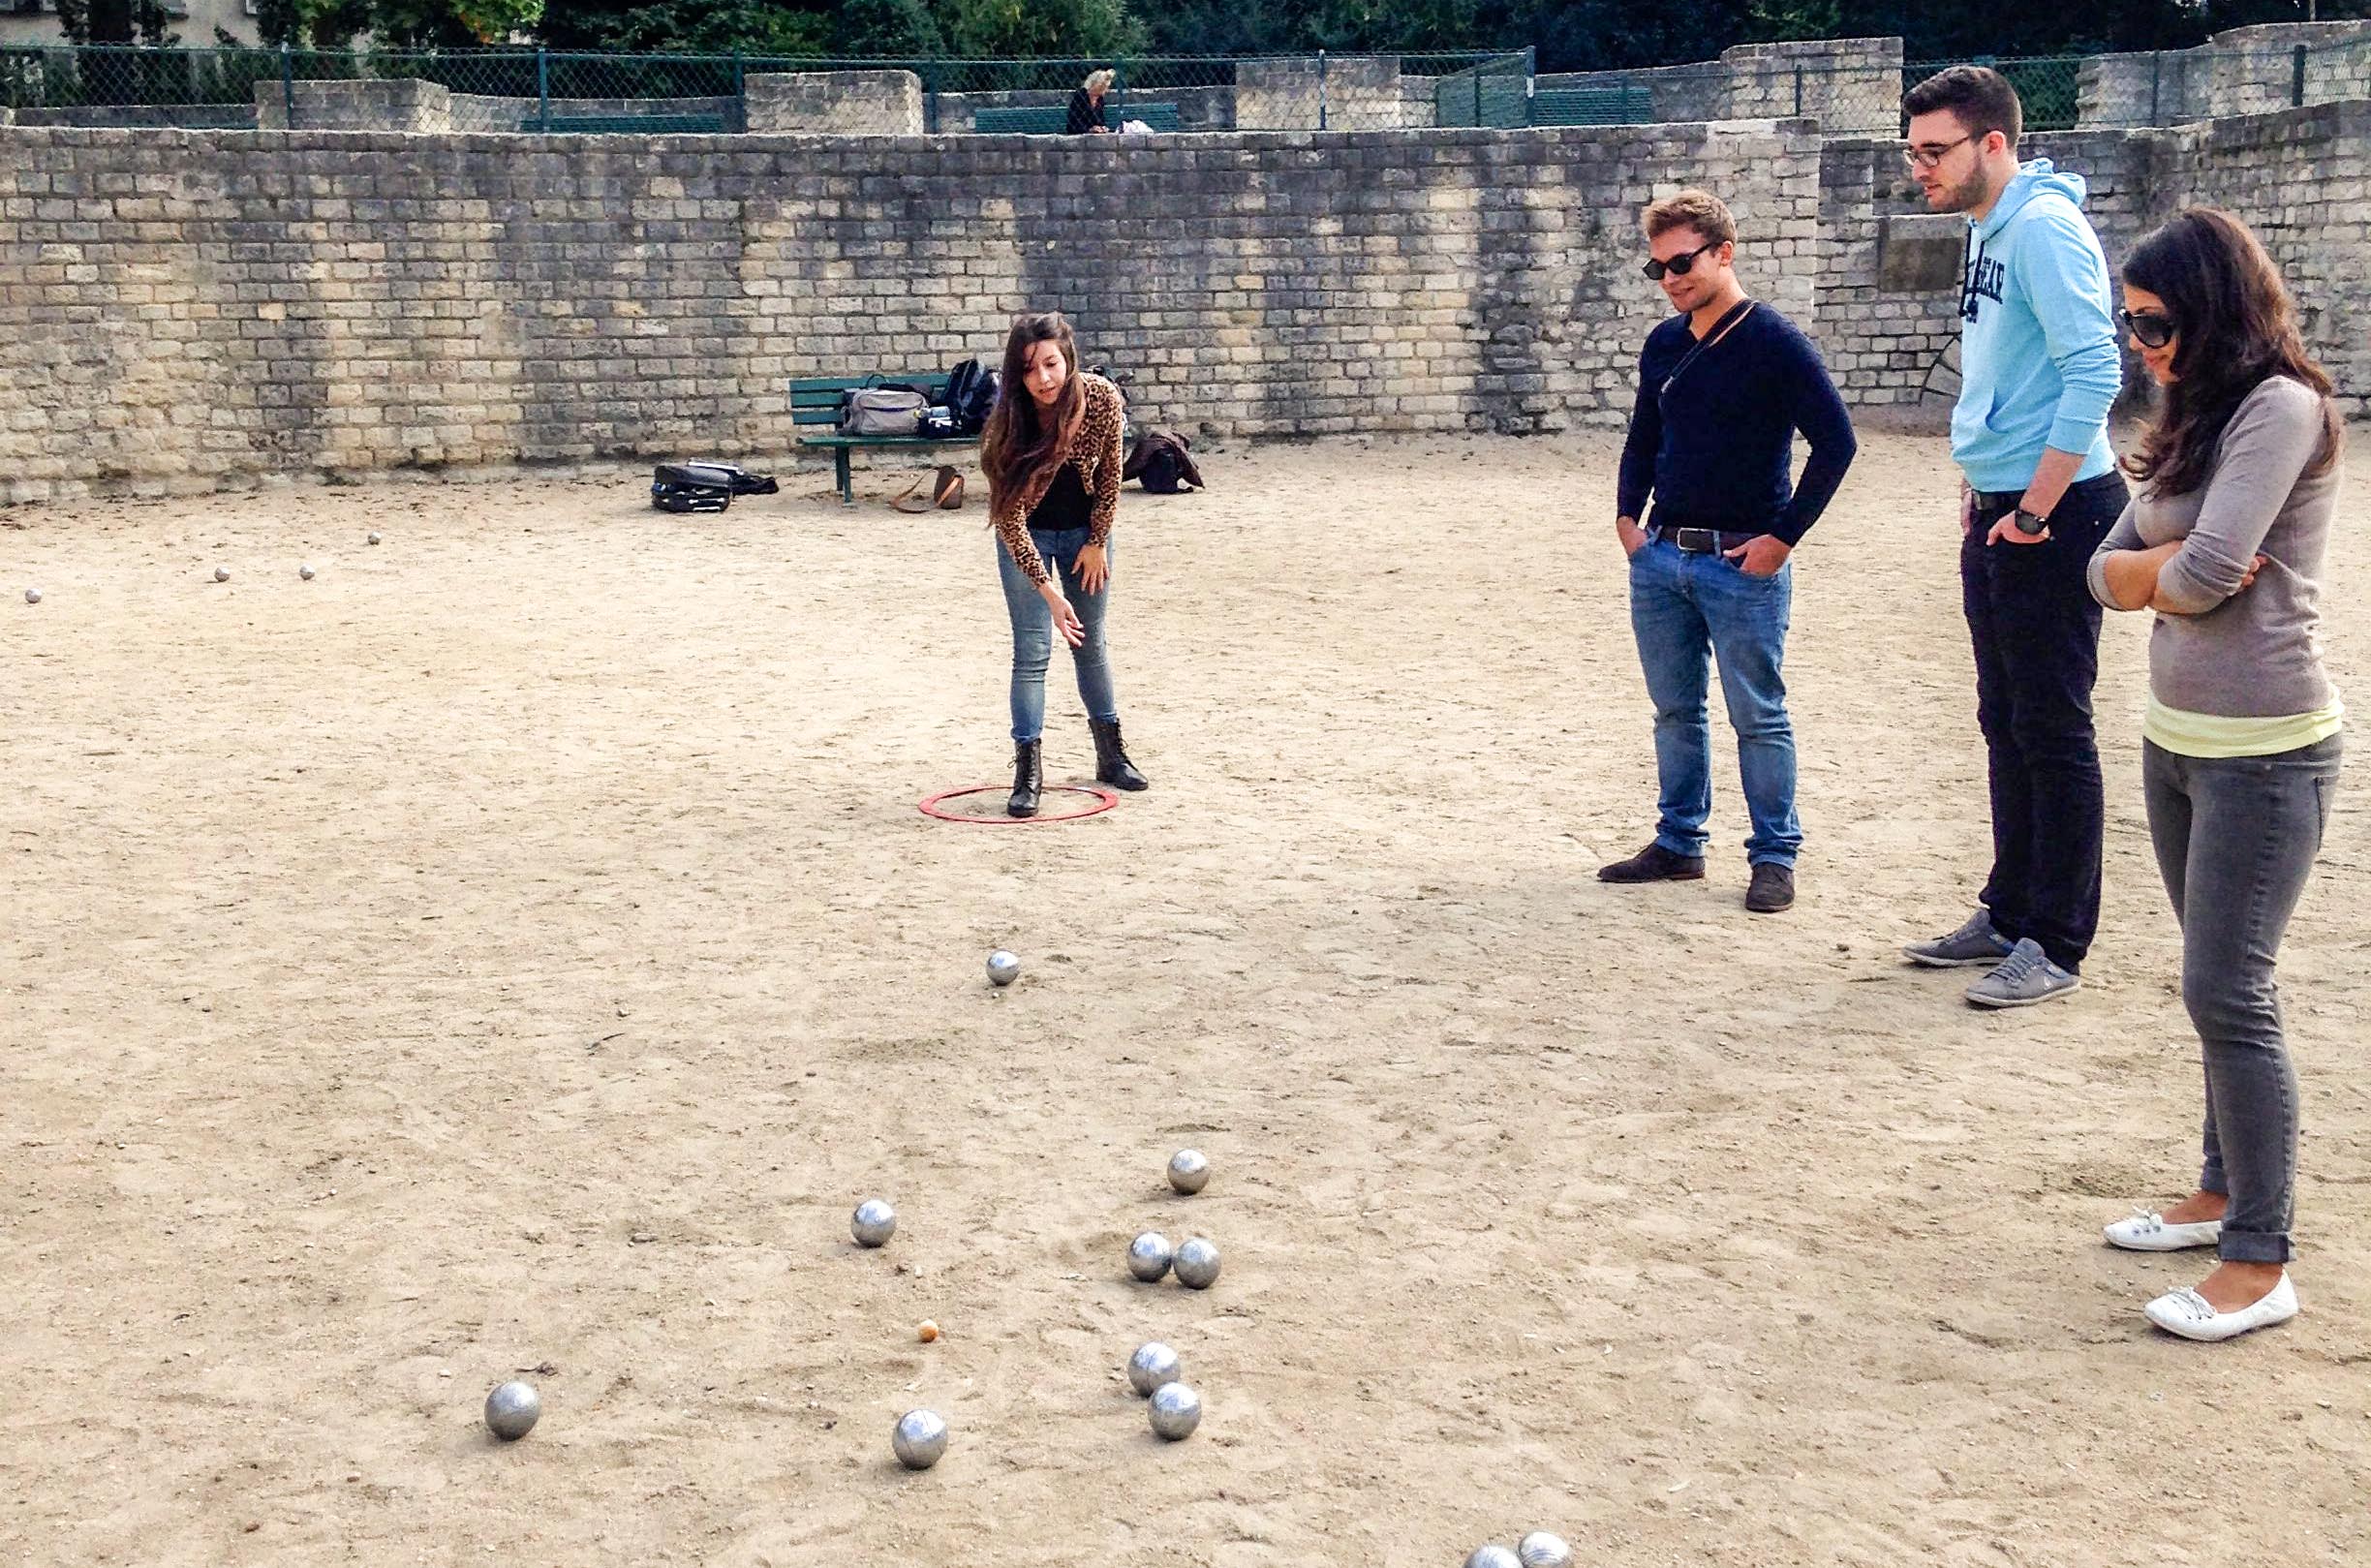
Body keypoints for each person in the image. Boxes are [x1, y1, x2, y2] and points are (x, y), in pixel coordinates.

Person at [2086, 209, 2343, 1342]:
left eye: (2154, 321)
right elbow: (2122, 563)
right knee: (2209, 979)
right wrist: (2156, 572)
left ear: (2212, 311)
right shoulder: (2200, 412)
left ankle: (2261, 1257)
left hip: (2267, 748)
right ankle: (2219, 1189)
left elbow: (2196, 569)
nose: (2140, 344)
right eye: (2130, 323)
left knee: (2230, 991)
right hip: (2178, 733)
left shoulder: (2283, 408)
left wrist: (2152, 571)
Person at [1897, 67, 2130, 1008]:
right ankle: (2009, 906)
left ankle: (2058, 939)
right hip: (2003, 506)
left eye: (1935, 150)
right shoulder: (1987, 224)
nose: (1920, 168)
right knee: (2006, 718)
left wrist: (2032, 509)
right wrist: (1986, 491)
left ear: (1994, 143)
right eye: (1913, 152)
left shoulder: (2041, 229)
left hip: (2057, 512)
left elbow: (2096, 371)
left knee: (2053, 725)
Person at [1601, 188, 1857, 914]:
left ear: (1723, 252)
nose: (1671, 279)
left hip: (1743, 560)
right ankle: (1679, 842)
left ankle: (1775, 856)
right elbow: (1644, 437)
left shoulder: (1774, 342)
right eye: (1658, 269)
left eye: (1681, 262)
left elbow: (1837, 443)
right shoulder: (1665, 344)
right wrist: (1627, 519)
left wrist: (1782, 538)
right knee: (1674, 710)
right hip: (1663, 558)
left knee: (1759, 715)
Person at [980, 312, 1147, 817]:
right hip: (1028, 535)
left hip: (1083, 536)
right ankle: (1027, 769)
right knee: (1032, 652)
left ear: (1068, 358)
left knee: (1089, 643)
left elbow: (1113, 475)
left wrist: (1097, 540)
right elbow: (1008, 519)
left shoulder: (1099, 397)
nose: (1044, 379)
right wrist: (1047, 590)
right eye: (1030, 369)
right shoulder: (1009, 419)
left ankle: (1111, 753)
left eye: (1051, 364)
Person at [1065, 70, 1115, 136]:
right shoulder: (1080, 97)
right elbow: (1072, 124)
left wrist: (1102, 127)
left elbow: (1101, 120)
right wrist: (1090, 129)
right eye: (1102, 88)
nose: (1105, 91)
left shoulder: (1100, 100)